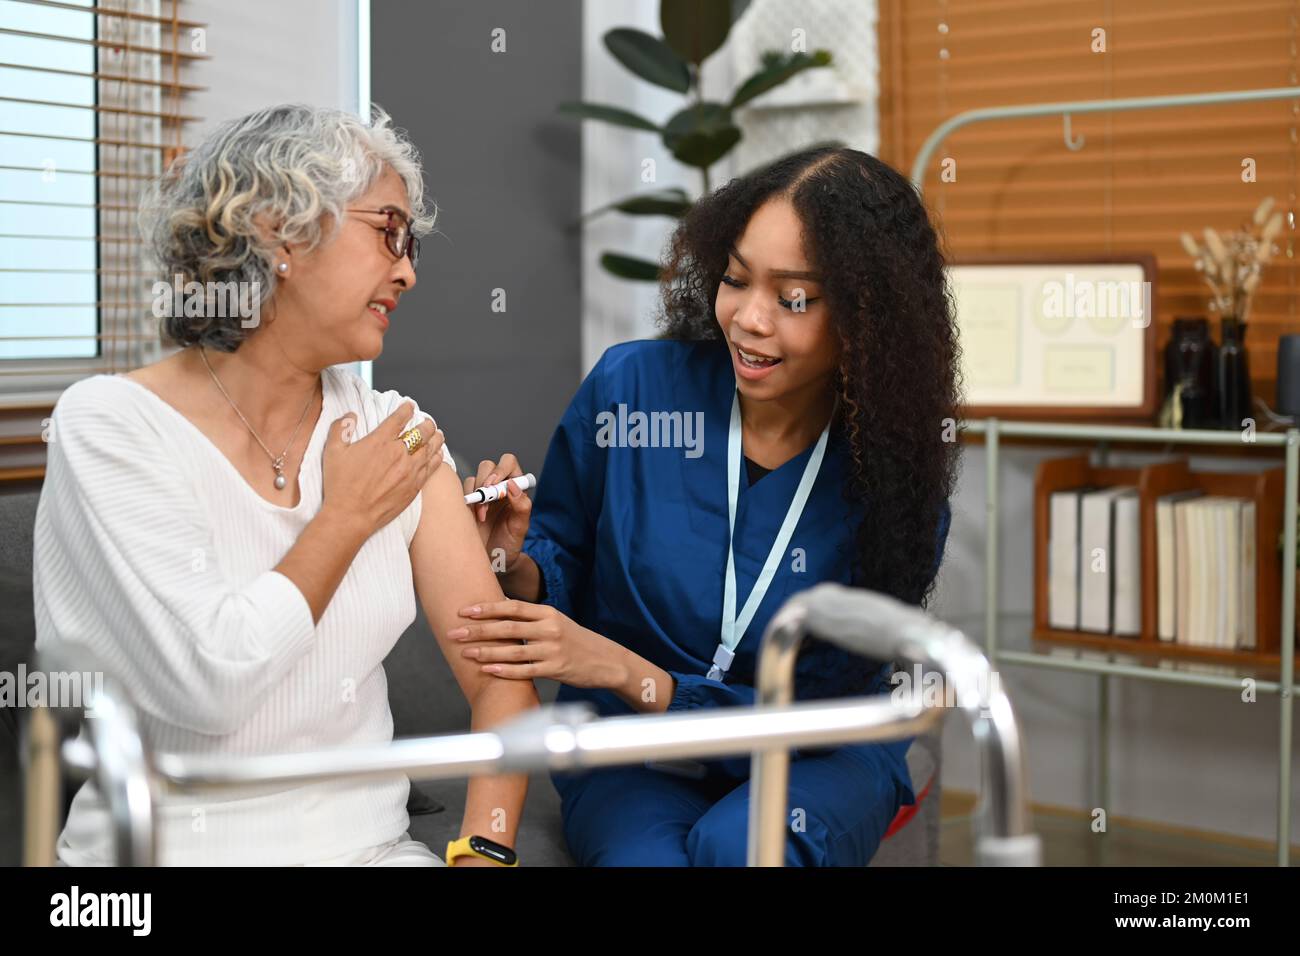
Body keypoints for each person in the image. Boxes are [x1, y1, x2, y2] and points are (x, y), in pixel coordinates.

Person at [33, 104, 537, 866]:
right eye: (388, 231)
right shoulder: (108, 426)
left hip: (372, 853)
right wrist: (345, 516)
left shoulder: (397, 432)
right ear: (277, 230)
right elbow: (211, 685)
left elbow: (500, 679)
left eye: (413, 245)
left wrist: (483, 852)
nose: (407, 270)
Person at [456, 146, 959, 866]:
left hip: (810, 751)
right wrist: (509, 560)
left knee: (742, 850)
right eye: (734, 279)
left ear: (865, 318)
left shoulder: (892, 474)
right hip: (637, 749)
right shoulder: (632, 392)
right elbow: (557, 558)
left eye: (793, 298)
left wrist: (645, 680)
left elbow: (829, 711)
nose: (748, 319)